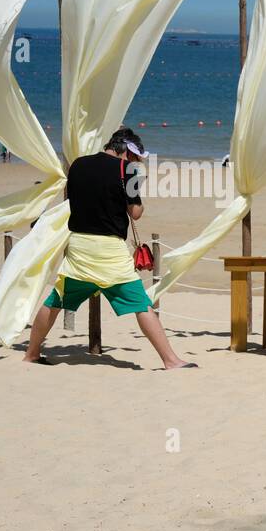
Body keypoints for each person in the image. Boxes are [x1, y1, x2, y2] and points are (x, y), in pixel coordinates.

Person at [22, 127, 193, 369]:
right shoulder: (129, 171)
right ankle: (171, 360)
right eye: (134, 157)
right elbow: (135, 213)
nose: (136, 162)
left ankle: (31, 353)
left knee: (55, 301)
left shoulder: (78, 165)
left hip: (79, 245)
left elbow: (76, 199)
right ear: (125, 152)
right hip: (109, 250)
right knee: (140, 303)